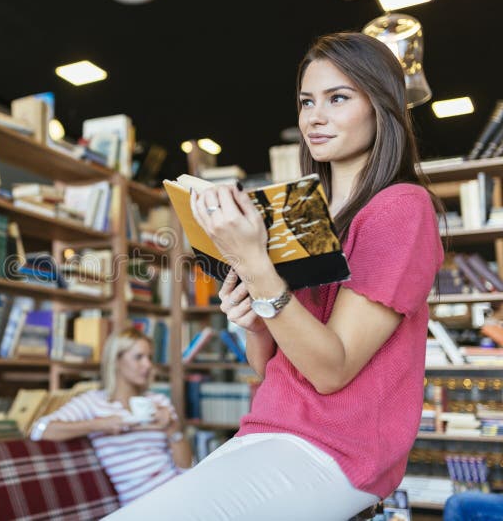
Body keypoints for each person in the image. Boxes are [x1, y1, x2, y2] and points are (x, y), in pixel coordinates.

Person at [105, 32, 444, 520]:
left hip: (338, 450)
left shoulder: (401, 207)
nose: (314, 117)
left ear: (383, 105)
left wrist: (258, 269)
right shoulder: (306, 216)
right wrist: (252, 314)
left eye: (338, 98)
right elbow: (270, 370)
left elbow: (330, 371)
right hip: (269, 430)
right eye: (307, 101)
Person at [30, 327, 192, 505]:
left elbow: (186, 468)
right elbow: (39, 430)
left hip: (180, 492)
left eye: (149, 358)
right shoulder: (94, 402)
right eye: (139, 357)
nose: (147, 365)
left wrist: (172, 428)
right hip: (141, 504)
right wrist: (99, 425)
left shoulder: (158, 401)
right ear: (116, 361)